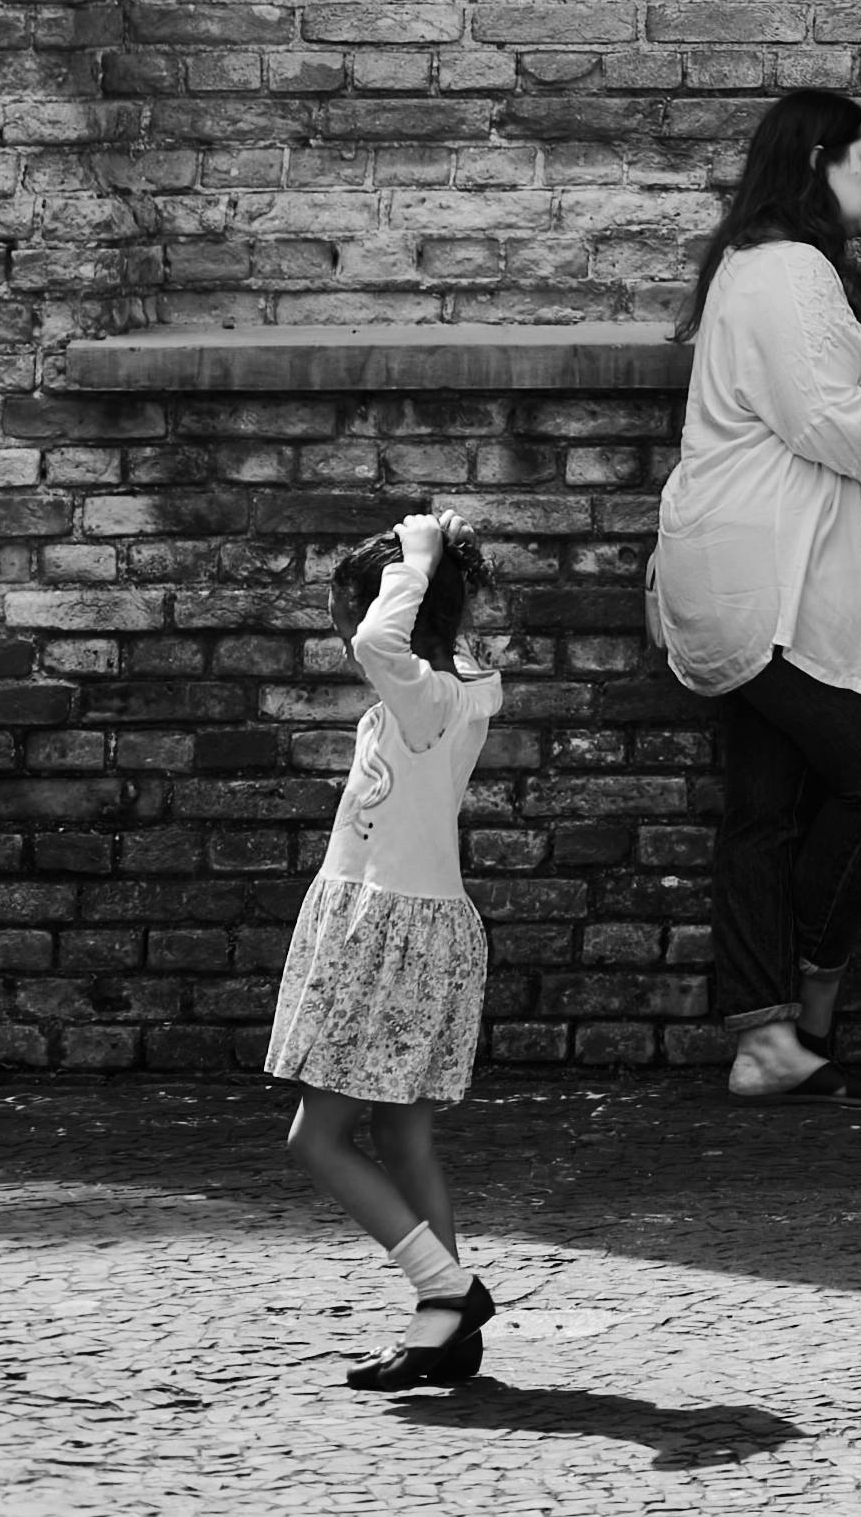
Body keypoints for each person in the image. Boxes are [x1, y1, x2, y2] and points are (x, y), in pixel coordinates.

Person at [648, 85, 861, 1100]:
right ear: (817, 162)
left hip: (768, 562)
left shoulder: (788, 268)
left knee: (763, 803)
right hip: (785, 570)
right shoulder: (791, 274)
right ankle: (806, 980)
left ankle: (766, 1036)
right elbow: (834, 422)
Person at [268, 501, 505, 1392]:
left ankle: (446, 1286)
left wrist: (414, 557)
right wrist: (431, 558)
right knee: (405, 1141)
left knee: (316, 1139)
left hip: (389, 932)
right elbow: (392, 643)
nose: (342, 634)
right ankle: (443, 1327)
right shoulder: (465, 682)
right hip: (408, 924)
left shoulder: (426, 695)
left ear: (395, 609)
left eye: (344, 612)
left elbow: (379, 645)